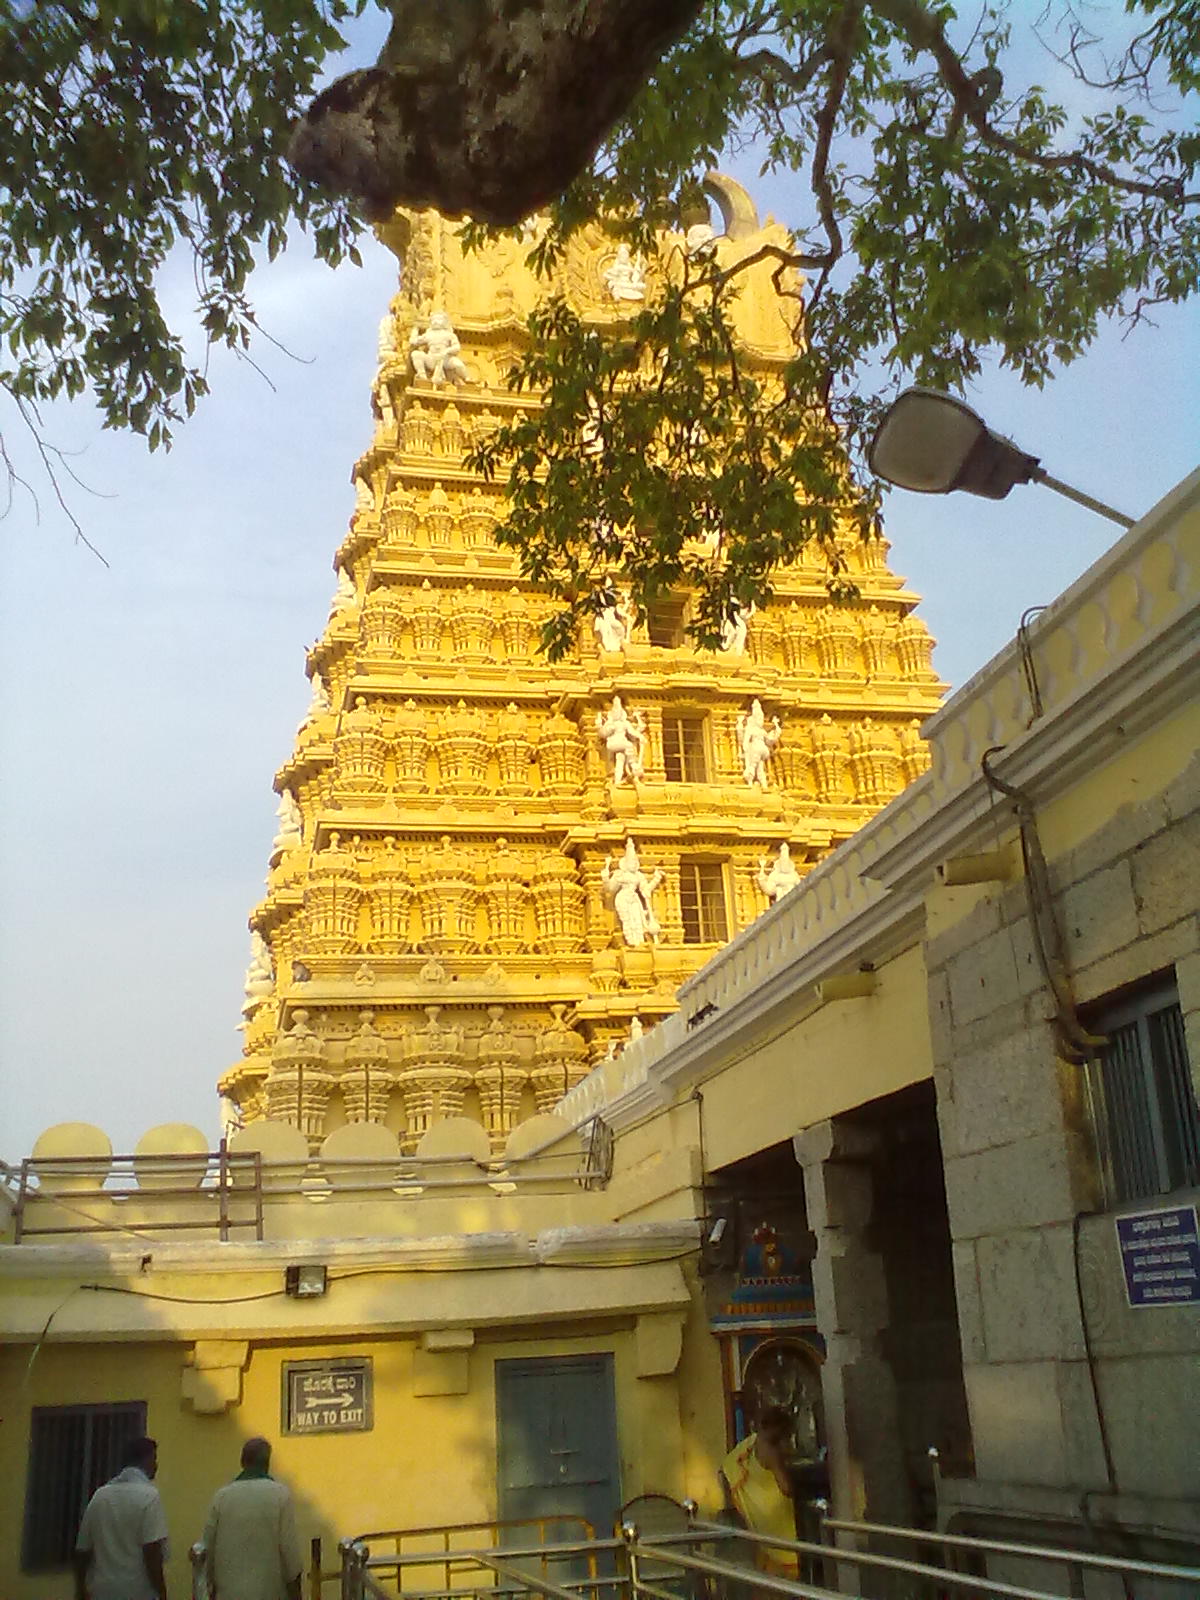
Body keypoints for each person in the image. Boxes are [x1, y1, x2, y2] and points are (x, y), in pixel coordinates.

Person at [202, 1438, 303, 1600]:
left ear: (242, 1462)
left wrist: (210, 1587)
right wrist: (296, 1594)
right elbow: (290, 1554)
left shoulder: (221, 1497)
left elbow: (207, 1549)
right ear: (267, 1463)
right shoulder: (280, 1495)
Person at [74, 1435, 169, 1600]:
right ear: (145, 1460)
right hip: (137, 1592)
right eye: (154, 1458)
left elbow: (83, 1550)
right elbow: (152, 1551)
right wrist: (161, 1591)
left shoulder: (100, 1496)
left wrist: (80, 1589)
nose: (156, 1465)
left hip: (101, 1591)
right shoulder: (149, 1496)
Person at [718, 1406, 799, 1578]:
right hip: (783, 1536)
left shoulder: (747, 1445)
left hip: (761, 1535)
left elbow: (724, 1472)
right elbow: (787, 1489)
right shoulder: (772, 1451)